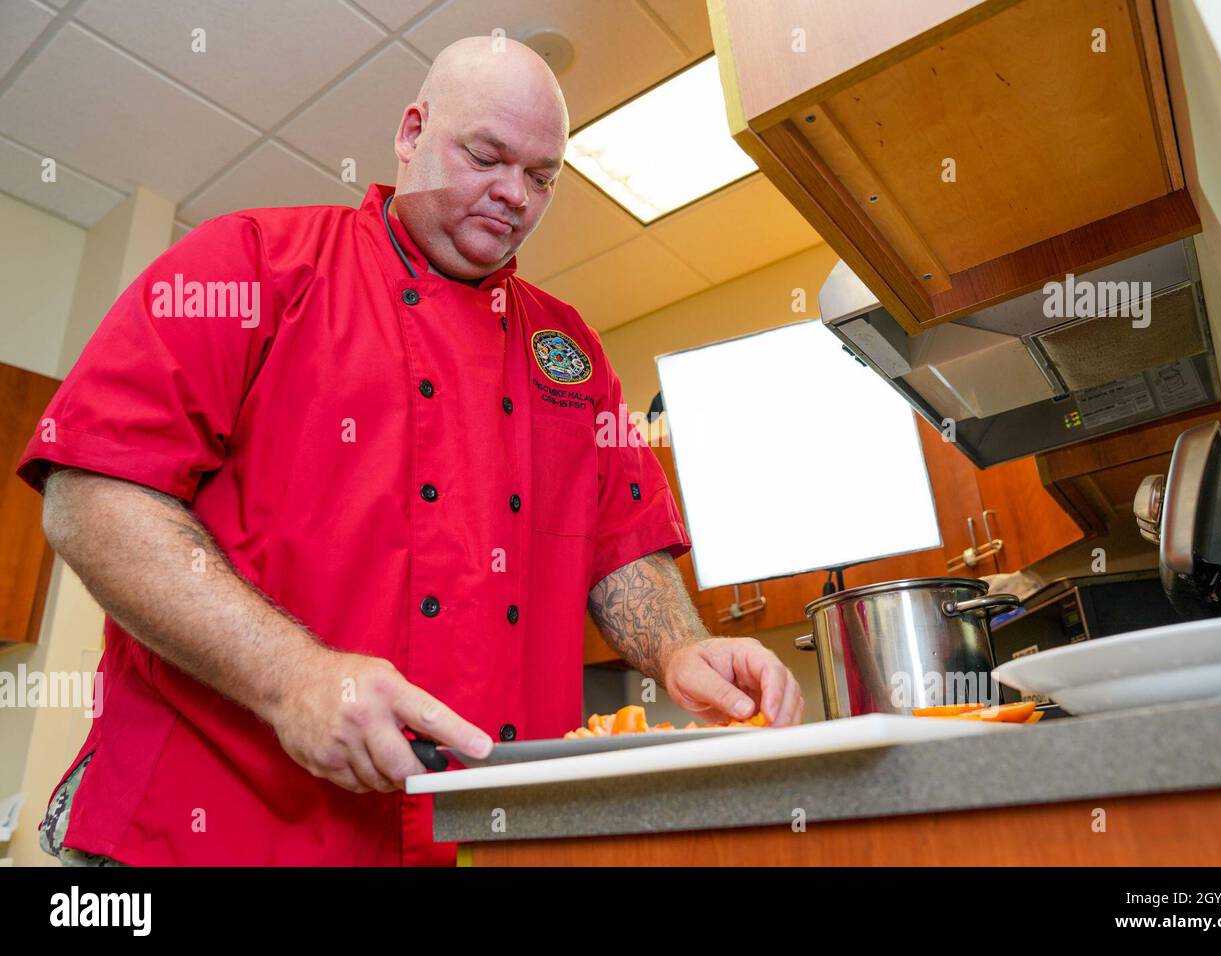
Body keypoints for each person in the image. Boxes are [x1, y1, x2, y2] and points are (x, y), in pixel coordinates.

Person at [17, 35, 803, 866]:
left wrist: (680, 648)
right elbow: (91, 493)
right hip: (202, 834)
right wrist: (293, 676)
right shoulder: (252, 262)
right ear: (411, 132)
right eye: (486, 156)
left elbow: (624, 545)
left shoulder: (570, 349)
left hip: (476, 843)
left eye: (541, 178)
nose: (514, 196)